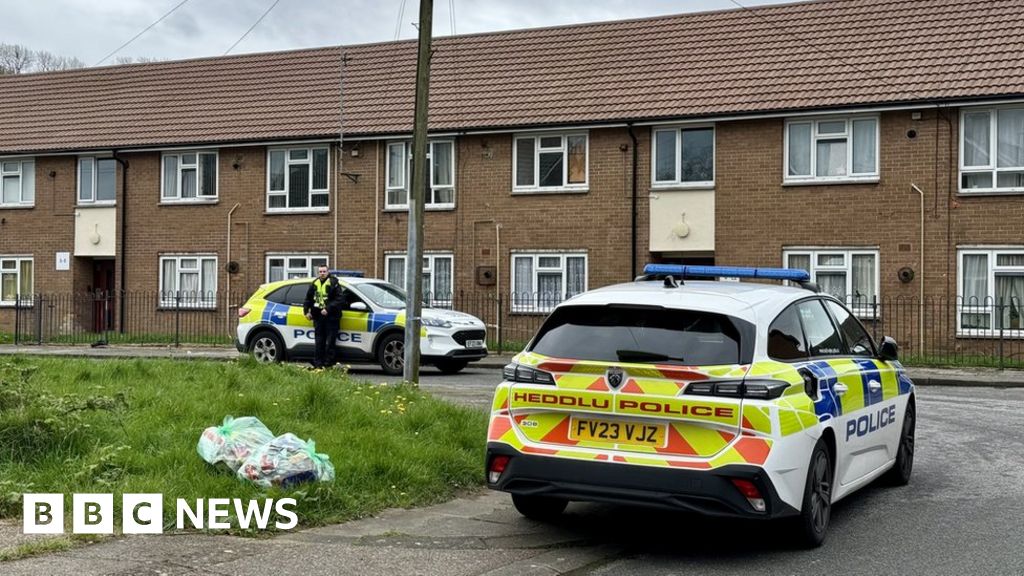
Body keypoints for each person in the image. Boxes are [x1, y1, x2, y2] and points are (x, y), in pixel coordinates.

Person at [303, 265, 343, 369]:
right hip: (318, 317)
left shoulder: (334, 283)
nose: (322, 273)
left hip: (331, 318)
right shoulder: (314, 283)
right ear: (318, 272)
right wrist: (306, 311)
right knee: (319, 342)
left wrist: (328, 309)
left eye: (324, 271)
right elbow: (308, 299)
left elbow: (339, 299)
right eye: (320, 271)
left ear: (328, 272)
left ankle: (328, 364)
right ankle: (318, 364)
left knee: (330, 342)